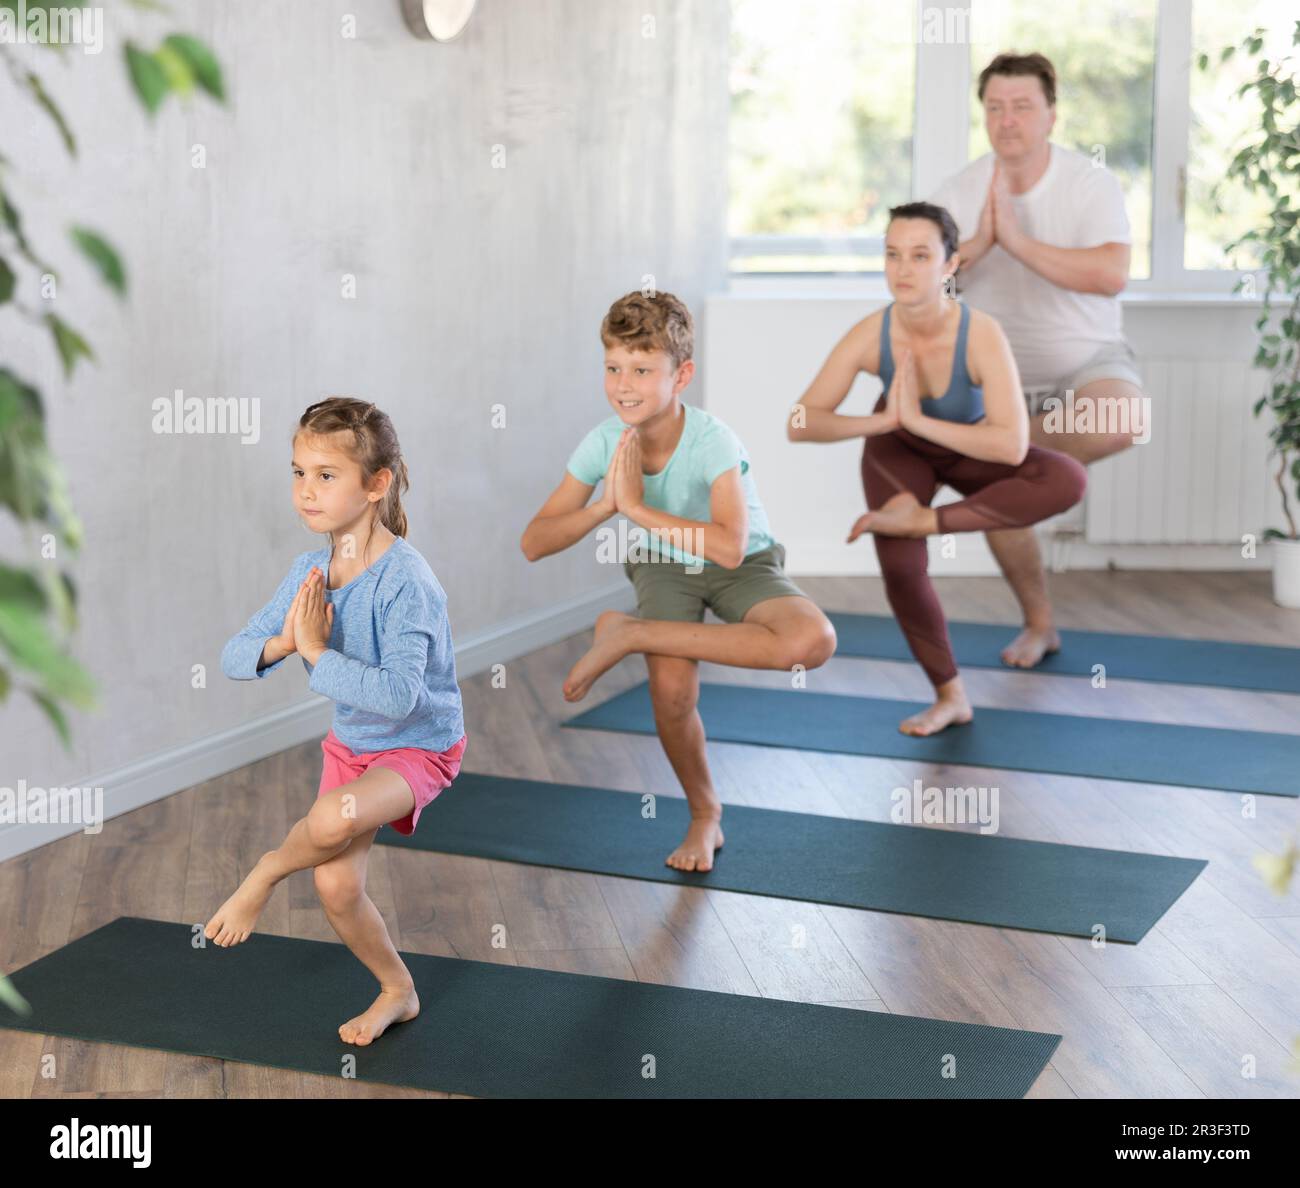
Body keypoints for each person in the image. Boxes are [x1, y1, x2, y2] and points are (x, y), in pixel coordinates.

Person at [521, 290, 836, 872]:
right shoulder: (603, 443)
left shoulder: (712, 439)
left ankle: (633, 633)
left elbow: (728, 544)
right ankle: (703, 813)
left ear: (681, 374)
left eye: (642, 369)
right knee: (671, 694)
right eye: (613, 367)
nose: (624, 384)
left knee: (811, 641)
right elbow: (534, 542)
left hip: (746, 563)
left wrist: (638, 512)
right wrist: (604, 508)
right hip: (666, 566)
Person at [208, 397, 467, 1046]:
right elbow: (235, 655)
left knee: (329, 821)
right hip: (353, 746)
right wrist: (286, 642)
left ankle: (265, 871)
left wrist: (317, 652)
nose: (306, 491)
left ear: (375, 484)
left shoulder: (407, 581)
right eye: (298, 472)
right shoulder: (310, 572)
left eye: (326, 475)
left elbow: (402, 697)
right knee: (335, 885)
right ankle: (397, 990)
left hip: (420, 744)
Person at [788, 203, 1086, 735]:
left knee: (1067, 478)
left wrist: (919, 421)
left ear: (950, 266)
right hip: (897, 452)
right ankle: (951, 697)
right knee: (901, 566)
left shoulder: (980, 333)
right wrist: (883, 424)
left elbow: (1011, 446)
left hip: (971, 449)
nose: (903, 270)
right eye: (892, 255)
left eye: (920, 256)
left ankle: (926, 521)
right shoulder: (869, 333)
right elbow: (800, 421)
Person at [927, 51, 1146, 668]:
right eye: (995, 107)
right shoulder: (960, 191)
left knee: (1120, 420)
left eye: (1022, 106)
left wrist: (1018, 243)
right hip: (999, 377)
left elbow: (1110, 274)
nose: (1007, 120)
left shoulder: (1088, 183)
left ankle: (1011, 462)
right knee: (1005, 488)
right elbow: (922, 285)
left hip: (1087, 362)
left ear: (1051, 114)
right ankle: (1039, 624)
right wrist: (980, 244)